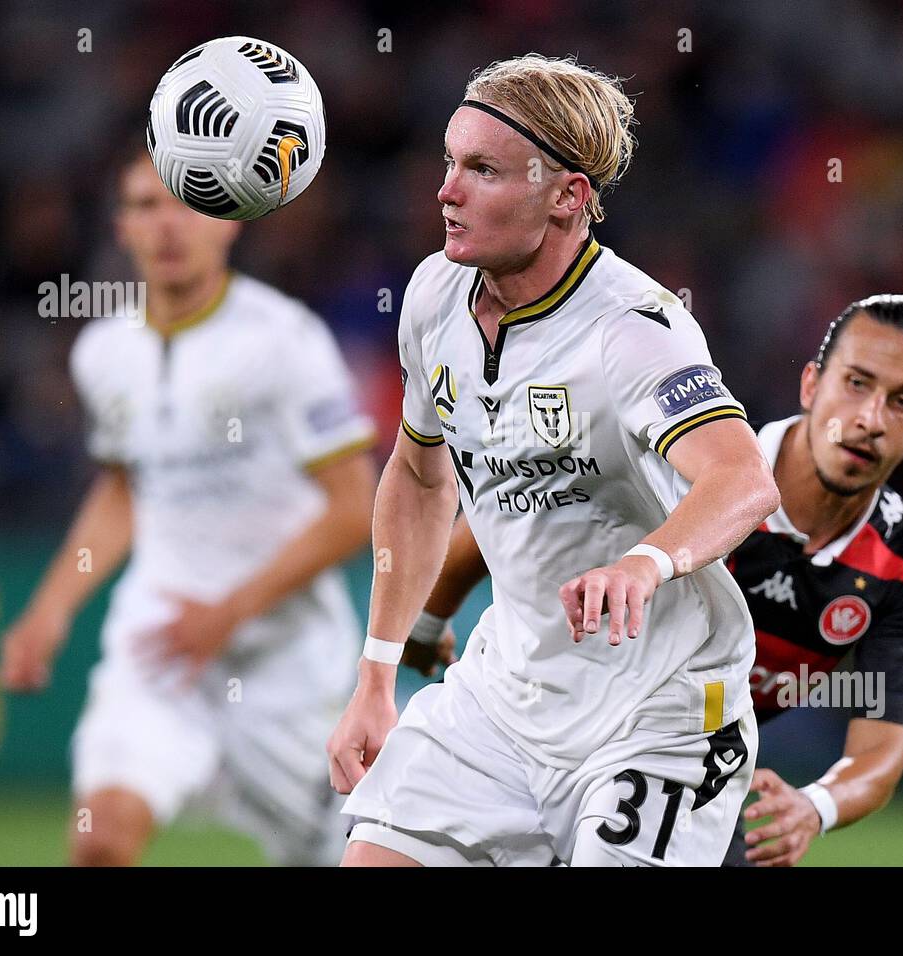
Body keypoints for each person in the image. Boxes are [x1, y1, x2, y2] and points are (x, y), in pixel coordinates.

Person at [327, 54, 780, 867]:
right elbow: (420, 476)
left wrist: (644, 565)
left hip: (660, 712)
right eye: (449, 162)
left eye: (482, 170)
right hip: (509, 696)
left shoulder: (634, 329)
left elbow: (742, 478)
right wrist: (378, 672)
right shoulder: (433, 297)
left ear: (567, 196)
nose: (446, 191)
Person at [412, 294, 903, 867]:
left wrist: (814, 805)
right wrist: (424, 623)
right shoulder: (699, 452)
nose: (869, 419)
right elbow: (516, 504)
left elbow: (880, 750)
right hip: (551, 727)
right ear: (810, 385)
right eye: (855, 383)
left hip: (683, 761)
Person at [0, 149, 377, 866]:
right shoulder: (104, 352)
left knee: (338, 856)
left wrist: (228, 612)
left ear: (229, 224)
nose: (167, 224)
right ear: (121, 226)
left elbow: (355, 508)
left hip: (282, 664)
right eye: (146, 205)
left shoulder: (285, 341)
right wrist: (50, 609)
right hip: (161, 649)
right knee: (100, 843)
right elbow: (123, 489)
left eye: (189, 203)